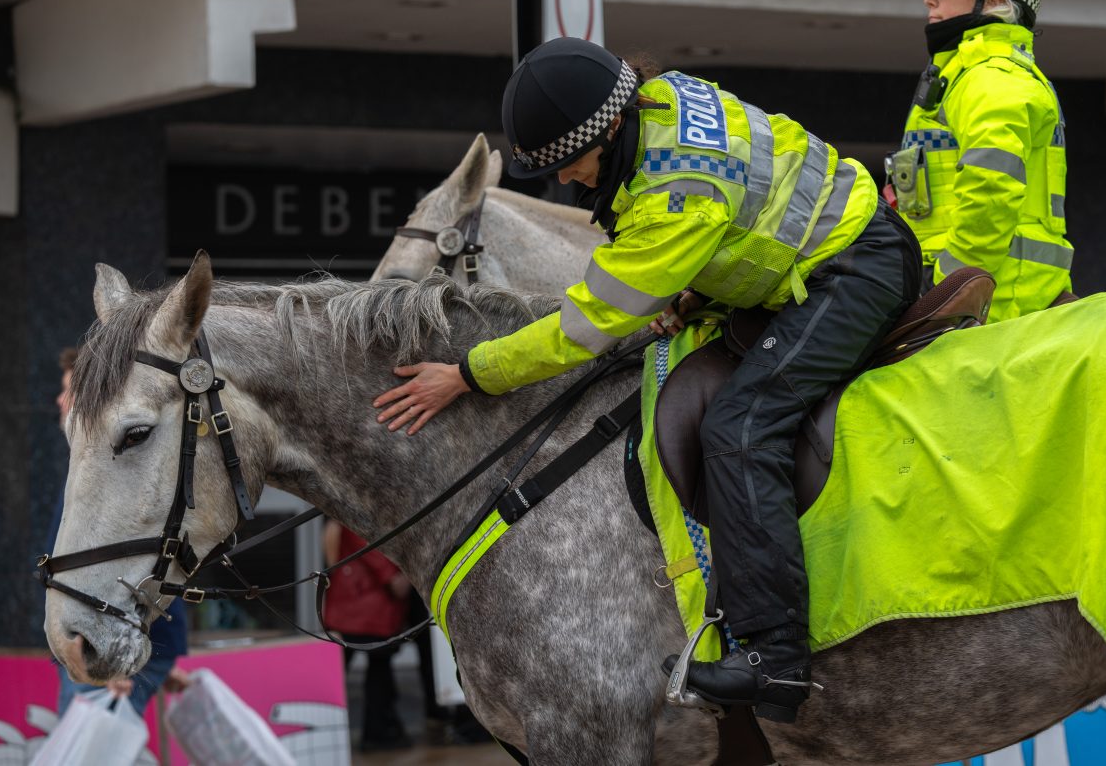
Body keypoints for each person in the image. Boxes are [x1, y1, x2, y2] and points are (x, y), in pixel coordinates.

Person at [371, 37, 921, 722]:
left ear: (607, 130)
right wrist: (694, 291)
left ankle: (775, 657)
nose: (568, 181)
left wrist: (468, 375)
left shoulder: (674, 193)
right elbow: (744, 221)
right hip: (808, 262)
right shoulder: (664, 98)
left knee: (742, 429)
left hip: (854, 272)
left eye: (570, 163)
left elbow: (584, 327)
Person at [887, 0, 1074, 322]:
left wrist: (948, 288)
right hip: (984, 292)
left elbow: (991, 188)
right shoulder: (969, 73)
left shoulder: (992, 77)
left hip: (992, 303)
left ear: (994, 1)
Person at [49, 347, 189, 716]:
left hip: (107, 643)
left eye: (69, 390)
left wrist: (125, 657)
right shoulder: (87, 467)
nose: (60, 399)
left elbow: (138, 565)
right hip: (103, 640)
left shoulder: (107, 477)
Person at [322, 520, 412, 751]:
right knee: (373, 670)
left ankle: (333, 732)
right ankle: (376, 733)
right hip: (365, 604)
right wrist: (392, 576)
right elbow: (363, 539)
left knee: (372, 669)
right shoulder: (355, 513)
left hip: (361, 604)